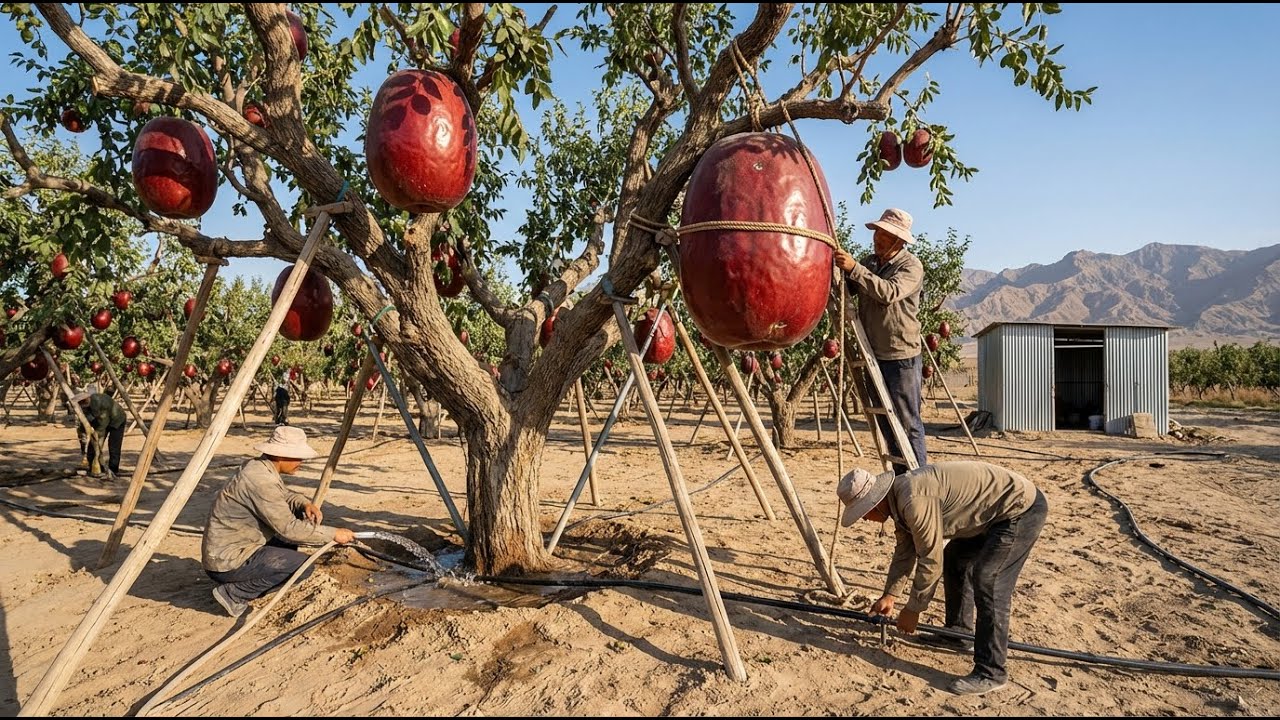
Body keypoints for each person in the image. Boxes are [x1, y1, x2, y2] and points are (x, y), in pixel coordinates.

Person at [837, 461, 1049, 696]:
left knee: (989, 580)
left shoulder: (913, 500)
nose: (864, 520)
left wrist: (914, 609)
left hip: (1019, 509)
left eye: (862, 513)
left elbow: (930, 559)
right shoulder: (898, 501)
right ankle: (958, 633)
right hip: (987, 515)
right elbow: (904, 552)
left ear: (875, 504)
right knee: (956, 558)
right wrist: (890, 595)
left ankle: (992, 672)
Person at [202, 425, 355, 618]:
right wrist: (334, 534)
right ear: (281, 455)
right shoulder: (260, 481)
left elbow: (281, 495)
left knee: (293, 531)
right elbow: (289, 529)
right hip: (228, 562)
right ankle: (234, 594)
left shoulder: (259, 468)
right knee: (302, 567)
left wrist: (303, 503)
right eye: (297, 457)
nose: (301, 462)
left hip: (230, 550)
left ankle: (251, 578)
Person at [833, 208, 927, 473]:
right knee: (886, 422)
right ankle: (900, 475)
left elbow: (889, 292)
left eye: (884, 235)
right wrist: (837, 272)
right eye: (877, 233)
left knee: (908, 422)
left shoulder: (910, 266)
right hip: (873, 355)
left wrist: (854, 269)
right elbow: (849, 287)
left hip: (901, 356)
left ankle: (919, 479)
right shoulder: (871, 263)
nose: (877, 239)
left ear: (899, 240)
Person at [71, 385, 126, 477]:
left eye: (84, 402)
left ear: (88, 399)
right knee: (93, 444)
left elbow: (102, 424)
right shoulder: (86, 405)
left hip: (117, 420)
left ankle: (113, 469)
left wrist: (97, 435)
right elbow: (85, 420)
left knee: (113, 445)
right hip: (102, 419)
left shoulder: (100, 403)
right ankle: (93, 465)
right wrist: (83, 431)